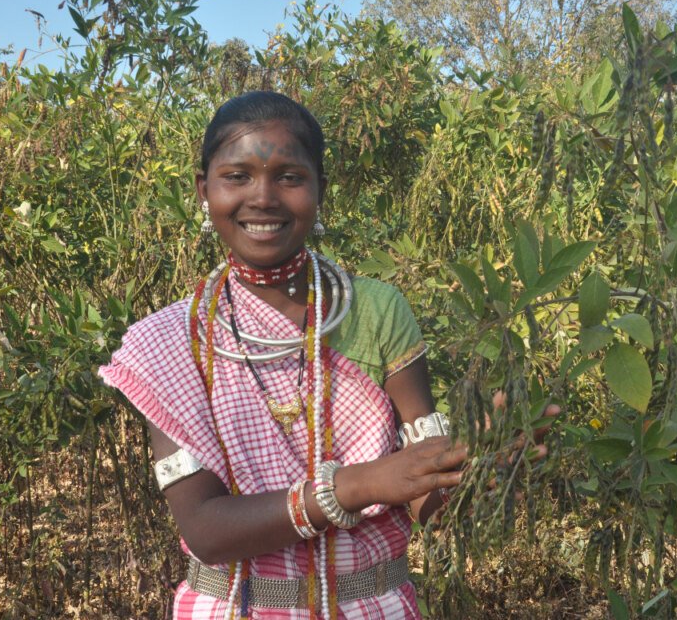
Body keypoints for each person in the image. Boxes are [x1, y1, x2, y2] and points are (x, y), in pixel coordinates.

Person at [100, 91, 555, 620]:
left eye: (289, 177)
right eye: (237, 176)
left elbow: (420, 499)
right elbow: (206, 530)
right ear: (204, 190)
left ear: (320, 189)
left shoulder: (377, 311)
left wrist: (469, 470)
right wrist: (359, 484)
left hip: (371, 606)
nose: (263, 197)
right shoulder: (171, 341)